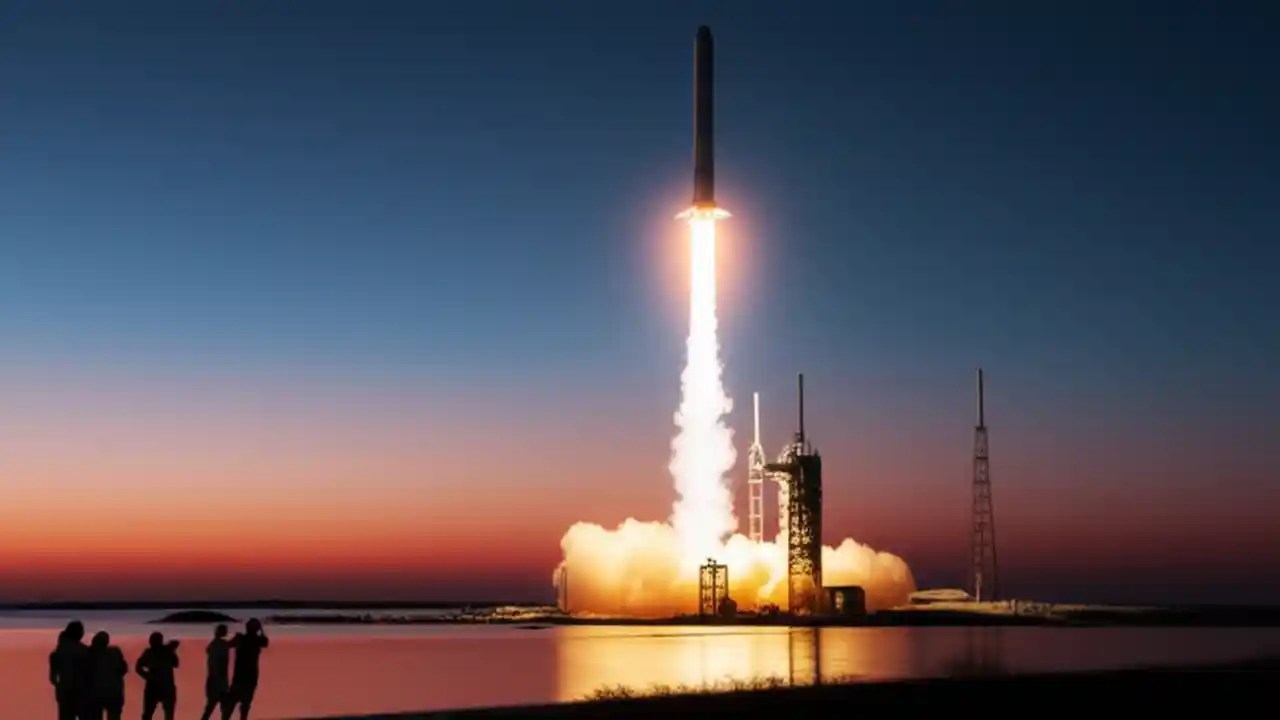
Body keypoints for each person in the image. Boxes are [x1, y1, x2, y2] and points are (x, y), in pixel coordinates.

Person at [223, 618, 269, 720]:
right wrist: (261, 630)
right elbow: (265, 641)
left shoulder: (241, 638)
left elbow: (228, 645)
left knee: (230, 705)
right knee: (245, 706)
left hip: (239, 677)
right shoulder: (258, 640)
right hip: (251, 677)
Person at [49, 620, 91, 720]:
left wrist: (60, 686)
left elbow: (53, 678)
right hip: (80, 692)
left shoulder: (57, 652)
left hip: (65, 693)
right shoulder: (84, 651)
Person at [135, 632, 180, 720]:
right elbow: (138, 667)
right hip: (159, 685)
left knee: (164, 714)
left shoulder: (164, 651)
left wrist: (147, 676)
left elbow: (176, 663)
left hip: (163, 685)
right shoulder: (152, 652)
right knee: (150, 714)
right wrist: (147, 676)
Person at [88, 631, 127, 720]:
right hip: (113, 692)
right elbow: (123, 669)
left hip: (99, 693)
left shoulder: (91, 653)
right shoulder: (115, 651)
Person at [201, 624, 231, 720]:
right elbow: (222, 663)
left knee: (211, 706)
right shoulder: (221, 644)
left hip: (213, 678)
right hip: (218, 680)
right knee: (221, 707)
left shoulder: (213, 644)